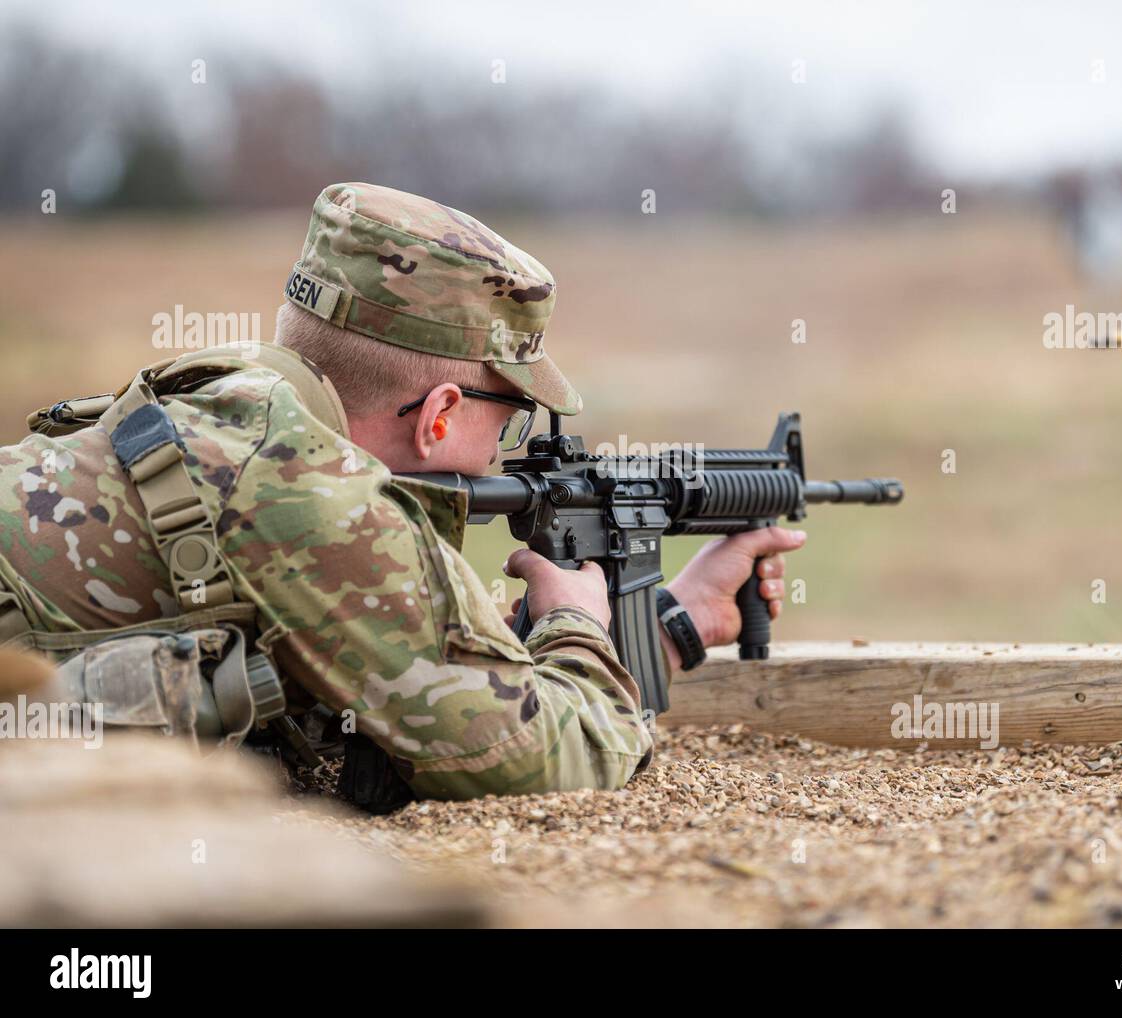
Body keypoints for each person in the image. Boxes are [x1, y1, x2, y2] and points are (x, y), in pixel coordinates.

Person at [0, 182, 804, 801]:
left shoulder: (231, 397)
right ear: (442, 416)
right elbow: (542, 759)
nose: (508, 451)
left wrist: (671, 626)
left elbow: (370, 703)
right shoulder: (324, 502)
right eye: (514, 415)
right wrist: (573, 617)